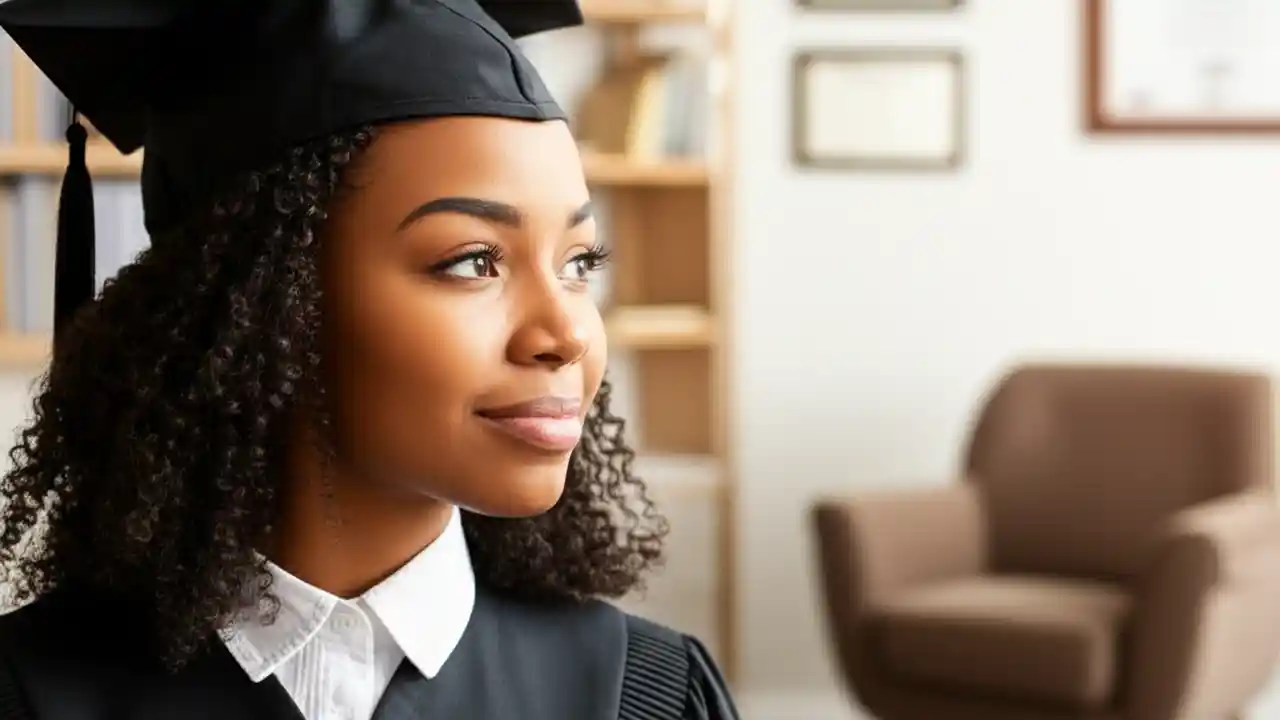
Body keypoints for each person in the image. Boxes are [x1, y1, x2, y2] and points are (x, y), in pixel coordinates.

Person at [0, 1, 740, 718]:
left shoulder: (642, 696)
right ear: (263, 300)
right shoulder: (32, 693)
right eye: (472, 261)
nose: (567, 334)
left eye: (579, 263)